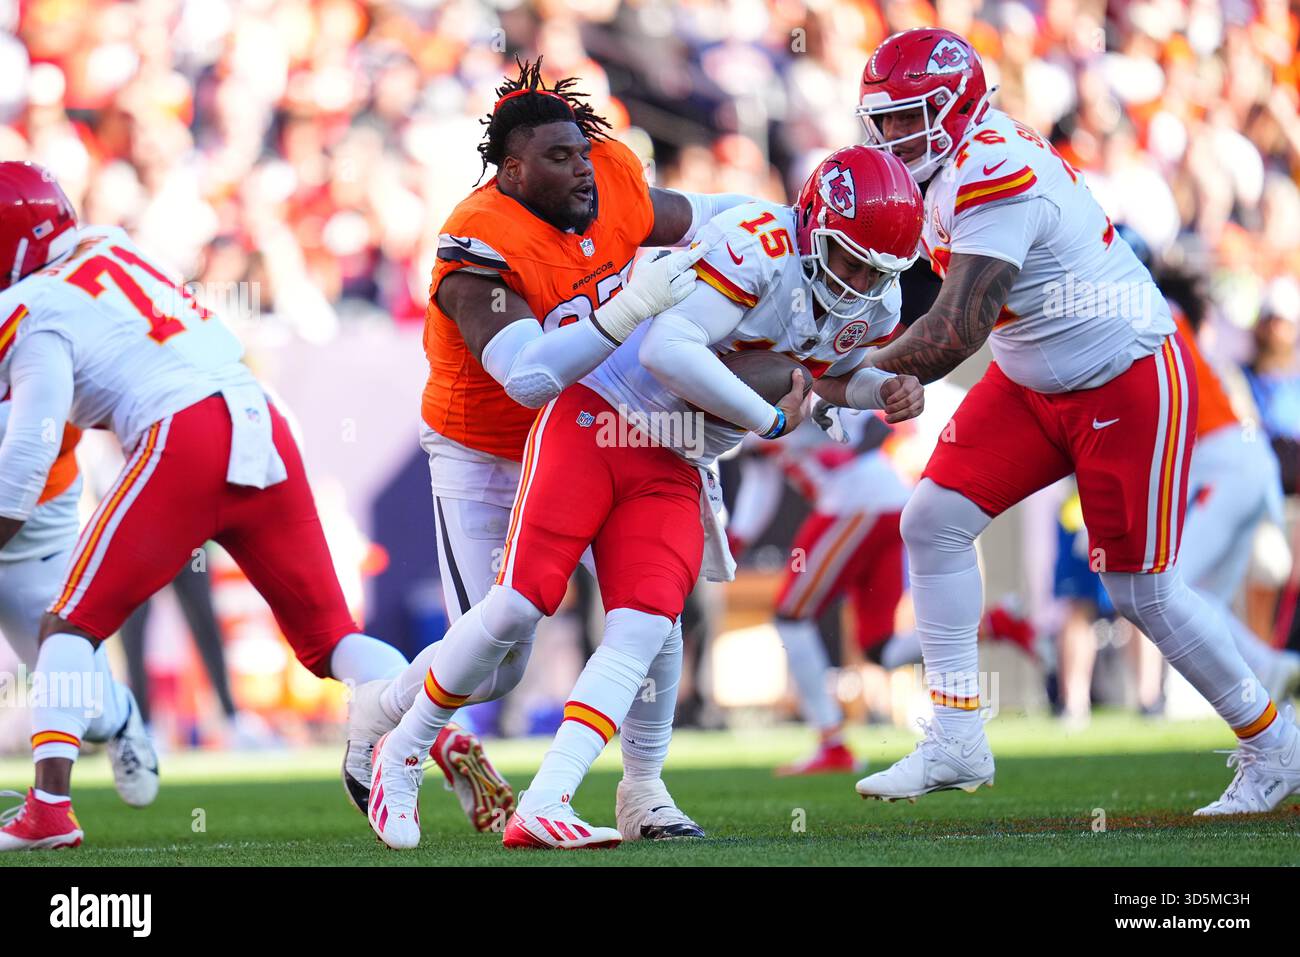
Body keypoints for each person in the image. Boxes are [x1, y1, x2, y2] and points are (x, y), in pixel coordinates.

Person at [369, 145, 927, 850]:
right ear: (815, 222)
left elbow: (832, 375)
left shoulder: (872, 294)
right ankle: (405, 746)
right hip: (602, 412)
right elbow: (670, 349)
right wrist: (770, 419)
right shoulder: (762, 242)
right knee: (518, 602)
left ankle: (553, 796)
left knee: (648, 621)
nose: (858, 282)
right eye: (848, 260)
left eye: (876, 270)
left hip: (680, 454)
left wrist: (885, 390)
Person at [852, 28, 1299, 815]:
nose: (894, 137)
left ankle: (1276, 744)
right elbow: (921, 305)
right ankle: (956, 734)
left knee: (1143, 591)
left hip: (1122, 375)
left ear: (955, 108)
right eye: (883, 121)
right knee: (931, 521)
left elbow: (957, 327)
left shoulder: (992, 163)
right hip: (1030, 378)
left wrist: (849, 377)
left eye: (909, 117)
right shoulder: (941, 169)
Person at [350, 58, 751, 840]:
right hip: (488, 449)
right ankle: (383, 712)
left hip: (596, 430)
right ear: (511, 171)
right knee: (497, 661)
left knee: (653, 615)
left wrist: (789, 226)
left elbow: (705, 212)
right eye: (558, 158)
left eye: (580, 150)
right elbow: (529, 378)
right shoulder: (480, 245)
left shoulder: (610, 178)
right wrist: (630, 305)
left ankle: (644, 791)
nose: (580, 170)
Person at [0, 161, 414, 850]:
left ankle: (48, 810)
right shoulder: (110, 243)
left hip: (183, 433)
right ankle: (440, 731)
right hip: (258, 412)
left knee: (68, 629)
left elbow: (27, 453)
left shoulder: (32, 310)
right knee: (331, 639)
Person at [0, 403, 157, 816]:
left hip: (34, 547)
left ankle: (119, 715)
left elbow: (46, 444)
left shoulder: (38, 349)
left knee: (85, 709)